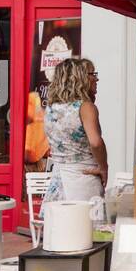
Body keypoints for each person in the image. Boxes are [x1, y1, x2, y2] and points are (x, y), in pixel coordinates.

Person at [43, 57, 107, 202]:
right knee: (84, 223)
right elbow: (96, 143)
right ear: (80, 78)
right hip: (83, 181)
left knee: (59, 223)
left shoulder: (51, 108)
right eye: (93, 74)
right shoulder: (86, 107)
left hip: (58, 181)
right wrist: (103, 167)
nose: (96, 79)